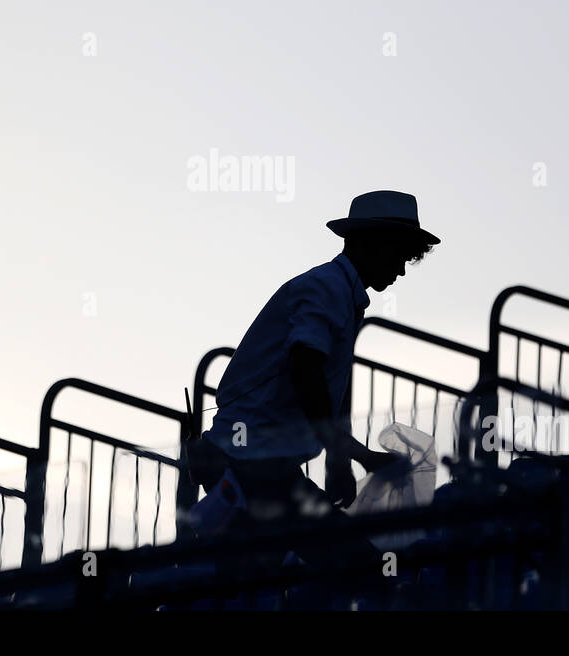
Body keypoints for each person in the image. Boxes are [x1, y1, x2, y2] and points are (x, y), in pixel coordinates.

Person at [188, 190, 440, 597]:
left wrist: (342, 459)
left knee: (246, 583)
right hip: (252, 467)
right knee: (356, 565)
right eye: (400, 254)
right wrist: (354, 455)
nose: (402, 270)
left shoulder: (337, 293)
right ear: (371, 243)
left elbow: (321, 381)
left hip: (255, 465)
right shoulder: (326, 289)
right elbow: (306, 369)